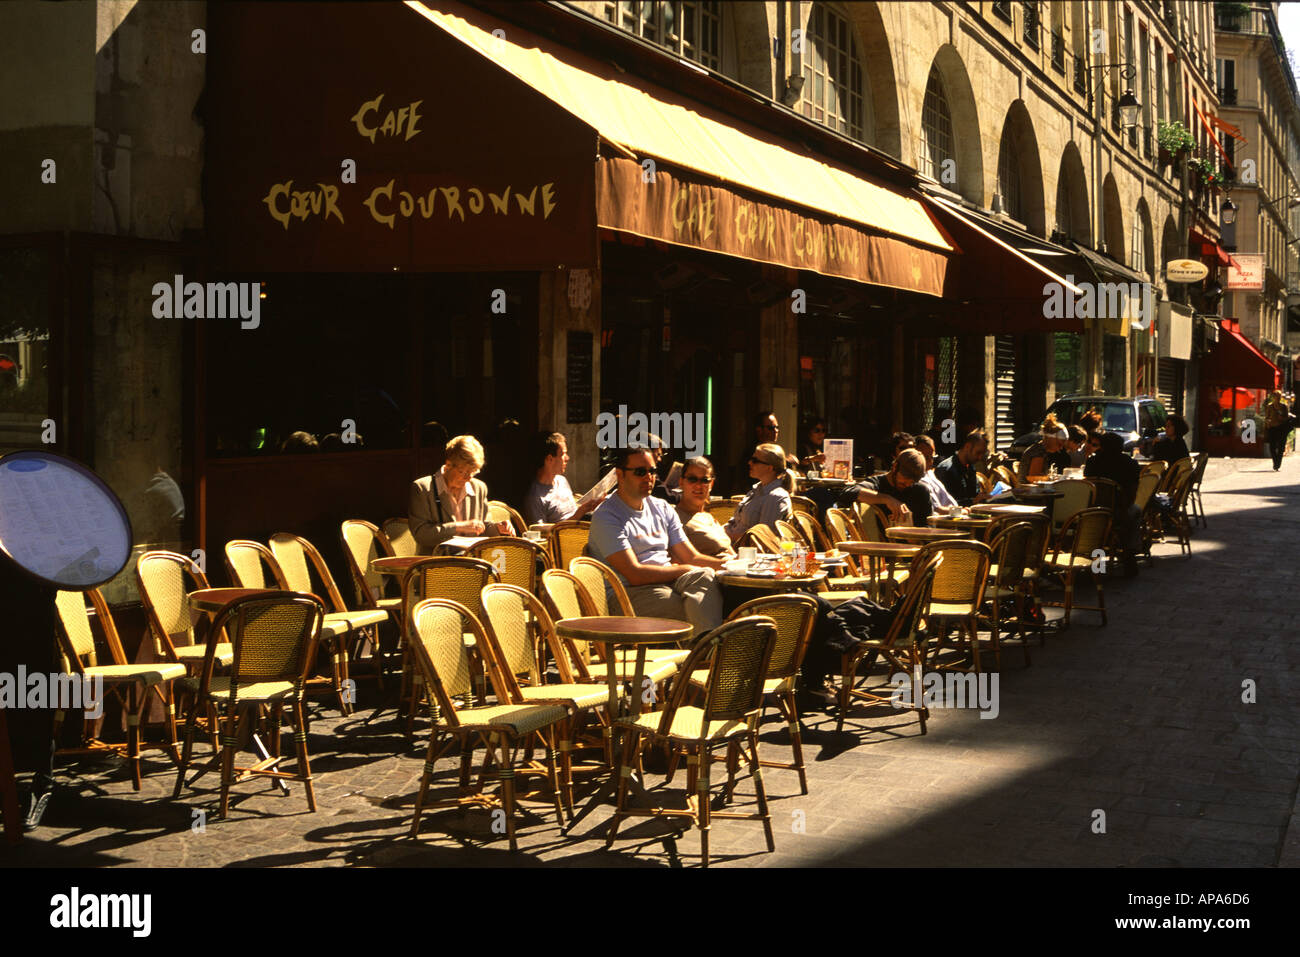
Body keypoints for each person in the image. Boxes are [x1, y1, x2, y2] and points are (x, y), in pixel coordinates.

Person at [587, 447, 726, 636]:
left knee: (706, 578)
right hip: (625, 595)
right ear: (620, 475)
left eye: (652, 471)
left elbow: (690, 557)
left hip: (668, 582)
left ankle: (704, 650)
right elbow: (634, 573)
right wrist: (683, 569)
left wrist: (731, 565)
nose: (648, 477)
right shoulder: (607, 515)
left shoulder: (661, 508)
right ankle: (708, 653)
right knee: (693, 605)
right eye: (640, 472)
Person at [409, 434, 511, 552]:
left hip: (471, 562)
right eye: (463, 472)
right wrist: (459, 527)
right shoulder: (423, 489)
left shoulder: (479, 488)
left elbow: (484, 527)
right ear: (448, 465)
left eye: (473, 472)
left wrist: (499, 528)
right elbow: (421, 535)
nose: (469, 478)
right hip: (435, 563)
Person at [1084, 431, 1142, 574]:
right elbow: (1132, 493)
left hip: (1094, 510)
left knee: (1099, 528)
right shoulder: (1130, 464)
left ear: (1101, 446)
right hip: (1120, 510)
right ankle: (1129, 553)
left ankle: (1098, 567)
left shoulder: (1092, 462)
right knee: (1136, 511)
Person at [523, 431, 603, 525]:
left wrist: (589, 506)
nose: (567, 458)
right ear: (550, 459)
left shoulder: (561, 480)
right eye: (563, 454)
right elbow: (540, 532)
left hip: (582, 526)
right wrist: (579, 513)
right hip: (568, 536)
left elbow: (571, 512)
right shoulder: (535, 496)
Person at [837, 449, 931, 526]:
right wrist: (887, 499)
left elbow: (927, 526)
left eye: (912, 482)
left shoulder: (920, 491)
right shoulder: (877, 484)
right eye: (904, 480)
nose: (907, 485)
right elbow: (848, 493)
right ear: (895, 467)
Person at [725, 443, 795, 544]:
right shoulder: (756, 490)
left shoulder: (776, 497)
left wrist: (726, 536)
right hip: (730, 544)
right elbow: (735, 522)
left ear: (770, 468)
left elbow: (763, 538)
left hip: (746, 552)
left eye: (755, 460)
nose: (749, 463)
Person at [673, 456, 736, 559]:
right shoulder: (674, 517)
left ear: (711, 484)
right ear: (681, 482)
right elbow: (684, 560)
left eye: (705, 480)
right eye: (692, 479)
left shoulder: (708, 517)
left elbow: (729, 551)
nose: (698, 485)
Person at [734, 411, 797, 492]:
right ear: (759, 430)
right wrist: (785, 462)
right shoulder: (753, 452)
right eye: (771, 428)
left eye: (777, 427)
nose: (776, 431)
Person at [933, 430, 990, 507]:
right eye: (978, 453)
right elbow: (944, 504)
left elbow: (975, 494)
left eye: (982, 454)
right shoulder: (946, 469)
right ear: (967, 446)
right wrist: (973, 501)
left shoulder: (970, 467)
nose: (980, 457)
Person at [1019, 415, 1071, 479]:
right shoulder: (1038, 452)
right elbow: (1033, 478)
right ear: (1051, 439)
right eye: (1059, 444)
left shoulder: (1040, 449)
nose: (1060, 448)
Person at [915, 435, 959, 510]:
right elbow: (937, 509)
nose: (930, 462)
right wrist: (960, 511)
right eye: (925, 458)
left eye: (932, 457)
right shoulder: (916, 480)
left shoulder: (930, 473)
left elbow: (948, 498)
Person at [1264, 391, 1290, 471]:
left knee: (1281, 448)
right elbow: (1266, 417)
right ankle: (1276, 462)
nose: (1277, 398)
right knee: (1272, 447)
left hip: (1281, 428)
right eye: (1276, 396)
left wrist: (1282, 418)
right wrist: (1268, 422)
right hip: (1272, 428)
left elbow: (1287, 418)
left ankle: (1277, 464)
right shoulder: (1270, 406)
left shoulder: (1284, 406)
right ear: (1273, 397)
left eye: (1279, 396)